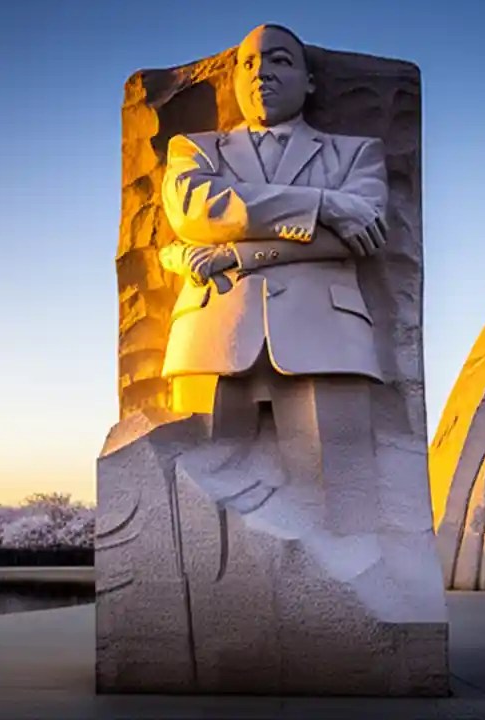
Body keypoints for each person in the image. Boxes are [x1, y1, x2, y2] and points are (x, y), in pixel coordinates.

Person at [158, 23, 390, 533]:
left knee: (343, 513)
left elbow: (361, 234)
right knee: (196, 516)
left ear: (310, 80)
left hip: (328, 336)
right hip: (213, 330)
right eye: (249, 63)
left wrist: (233, 252)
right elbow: (196, 213)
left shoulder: (356, 154)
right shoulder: (194, 151)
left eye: (281, 60)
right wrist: (324, 203)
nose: (261, 72)